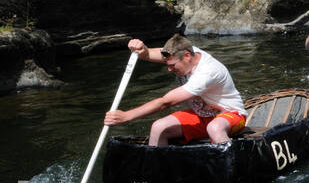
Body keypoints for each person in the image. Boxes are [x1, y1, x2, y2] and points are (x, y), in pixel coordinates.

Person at [104, 34, 247, 146]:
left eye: (173, 65)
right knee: (159, 127)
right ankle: (157, 174)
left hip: (231, 115)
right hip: (202, 117)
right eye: (167, 64)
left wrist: (126, 116)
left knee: (214, 128)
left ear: (187, 56)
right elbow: (153, 54)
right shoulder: (186, 52)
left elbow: (166, 102)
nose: (169, 69)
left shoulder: (207, 73)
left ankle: (233, 166)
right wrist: (143, 51)